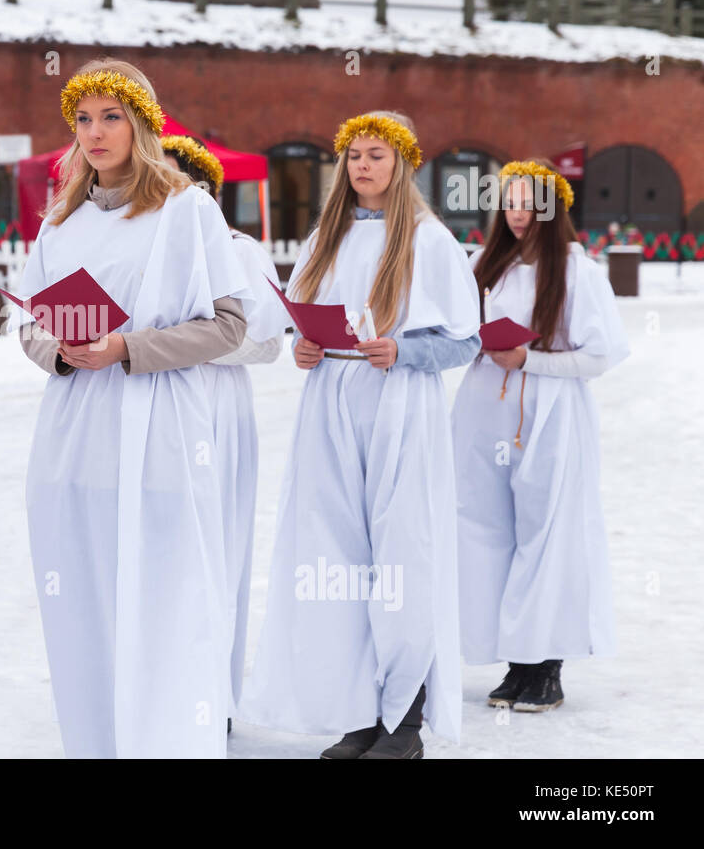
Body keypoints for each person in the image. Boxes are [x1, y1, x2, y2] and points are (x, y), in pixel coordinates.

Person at [14, 58, 252, 758]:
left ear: (143, 123)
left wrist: (128, 346)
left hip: (160, 437)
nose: (94, 132)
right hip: (75, 440)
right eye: (82, 119)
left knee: (161, 606)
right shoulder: (61, 223)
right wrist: (57, 351)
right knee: (86, 609)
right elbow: (28, 323)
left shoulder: (187, 211)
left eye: (110, 116)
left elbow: (229, 326)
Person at [239, 111, 480, 759]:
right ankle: (358, 713)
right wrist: (305, 347)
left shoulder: (429, 240)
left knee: (402, 556)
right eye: (354, 156)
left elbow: (465, 339)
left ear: (402, 163)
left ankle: (404, 718)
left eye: (377, 154)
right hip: (332, 406)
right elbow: (304, 317)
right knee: (338, 561)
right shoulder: (330, 233)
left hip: (400, 406)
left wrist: (403, 352)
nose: (363, 166)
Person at [453, 158, 629, 713]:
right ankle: (513, 659)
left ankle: (545, 662)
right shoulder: (485, 262)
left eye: (530, 202)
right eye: (510, 201)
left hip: (550, 415)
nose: (518, 211)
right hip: (484, 414)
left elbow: (600, 355)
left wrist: (529, 358)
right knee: (486, 533)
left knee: (546, 535)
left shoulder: (577, 270)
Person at [161, 134, 287, 727]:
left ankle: (213, 695)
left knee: (218, 546)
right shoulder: (146, 246)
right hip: (156, 405)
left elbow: (263, 344)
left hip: (216, 407)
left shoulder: (241, 251)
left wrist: (189, 348)